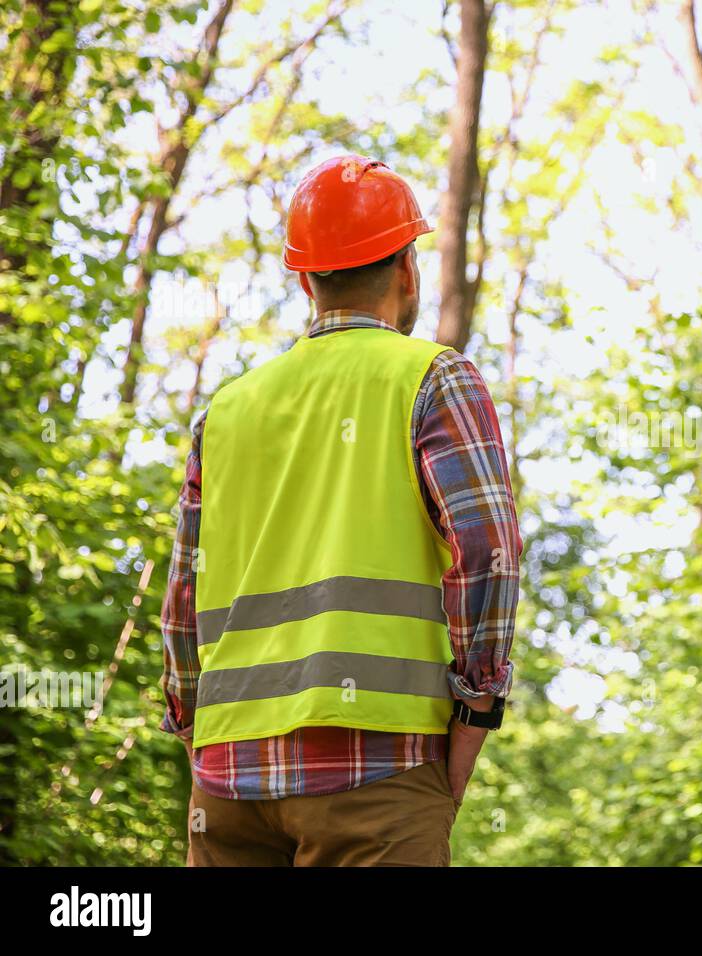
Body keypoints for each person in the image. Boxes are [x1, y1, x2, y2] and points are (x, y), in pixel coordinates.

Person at [159, 155, 521, 866]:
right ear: (408, 270)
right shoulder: (431, 376)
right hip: (375, 770)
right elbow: (485, 551)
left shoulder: (227, 411)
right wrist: (479, 706)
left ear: (305, 279)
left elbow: (183, 593)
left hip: (227, 781)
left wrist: (195, 730)